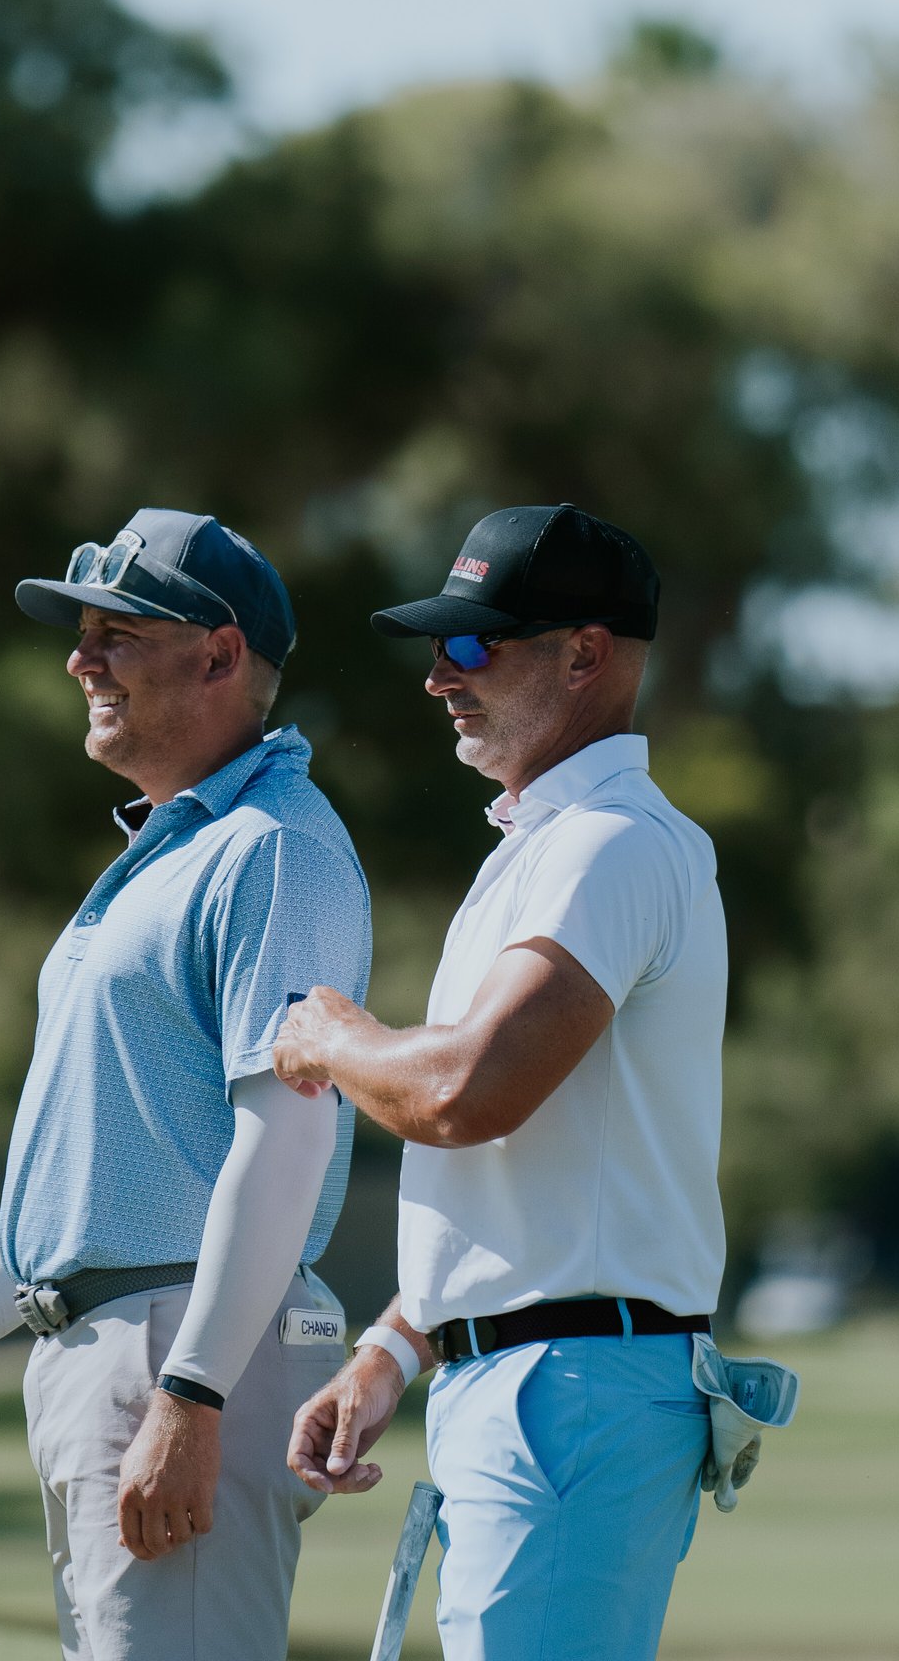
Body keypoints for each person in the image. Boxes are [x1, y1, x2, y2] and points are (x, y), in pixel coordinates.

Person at [0, 508, 371, 1661]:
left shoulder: (271, 848)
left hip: (183, 1358)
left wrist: (195, 1394)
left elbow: (281, 1144)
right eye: (82, 634)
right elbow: (109, 1179)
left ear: (220, 655)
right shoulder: (172, 851)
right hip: (116, 1352)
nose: (80, 661)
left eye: (117, 633)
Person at [272, 503, 731, 1661]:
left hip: (569, 1387)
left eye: (473, 644)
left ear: (584, 655)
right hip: (534, 1377)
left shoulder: (612, 843)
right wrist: (392, 1350)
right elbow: (528, 1179)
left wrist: (332, 1037)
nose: (439, 678)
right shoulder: (547, 848)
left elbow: (468, 1094)